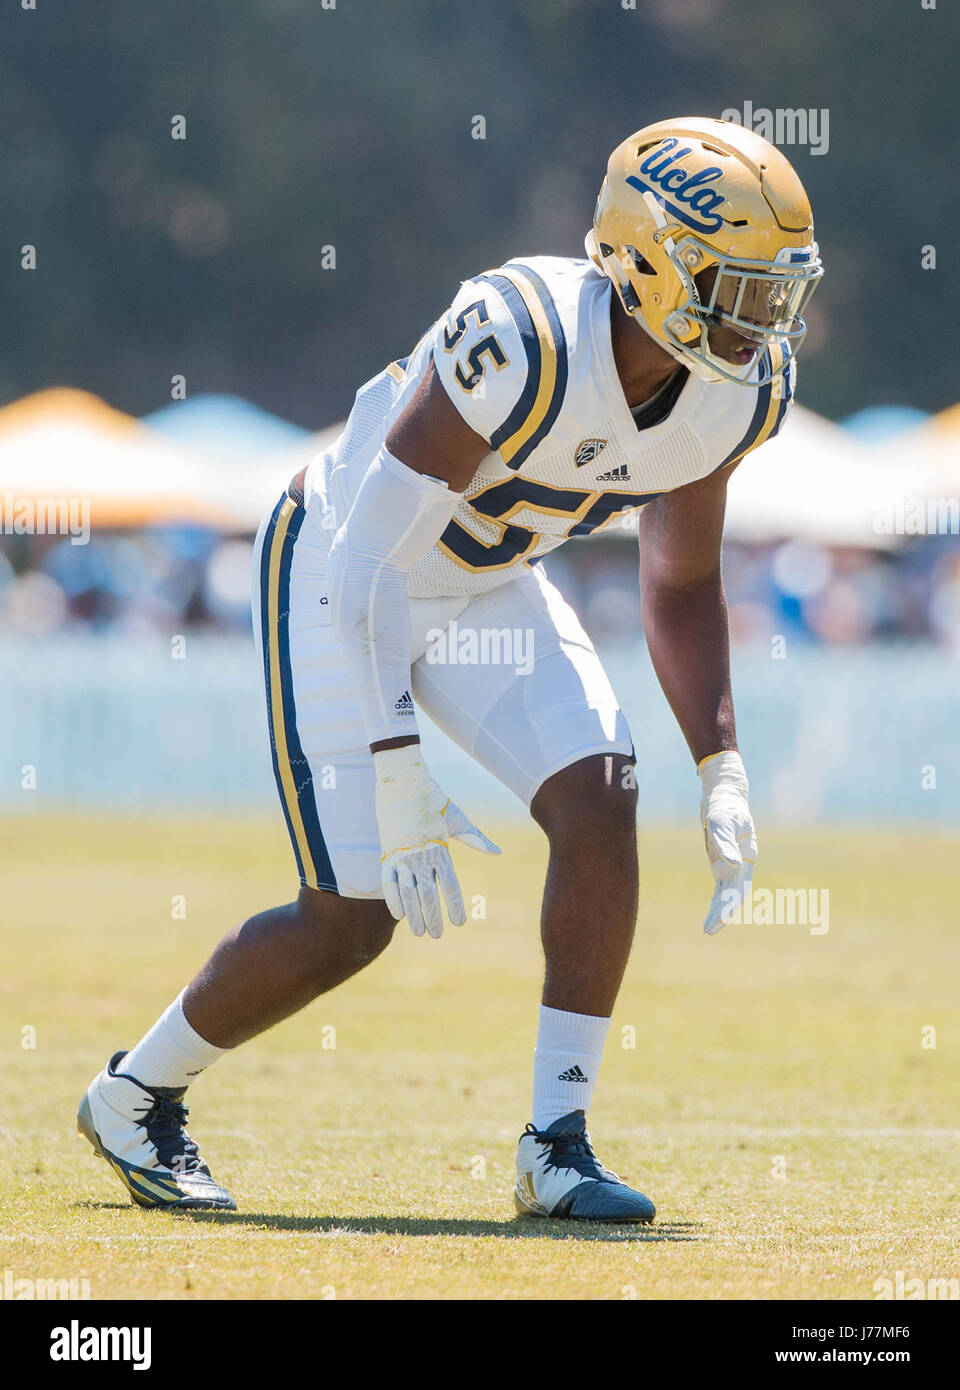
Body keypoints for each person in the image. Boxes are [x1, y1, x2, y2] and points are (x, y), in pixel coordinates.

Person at [78, 117, 822, 1222]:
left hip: (483, 582)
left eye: (778, 292)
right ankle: (134, 1094)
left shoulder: (738, 392)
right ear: (651, 260)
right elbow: (365, 561)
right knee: (356, 913)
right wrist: (398, 762)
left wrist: (722, 762)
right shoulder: (522, 334)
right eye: (739, 287)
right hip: (338, 569)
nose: (764, 321)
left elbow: (676, 581)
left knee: (600, 794)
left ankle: (555, 1143)